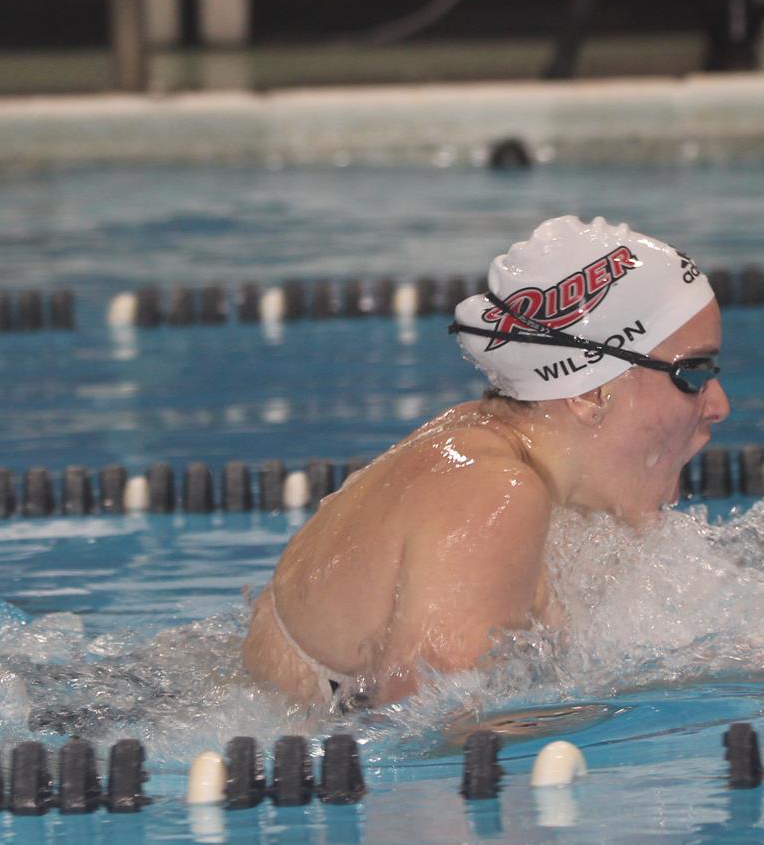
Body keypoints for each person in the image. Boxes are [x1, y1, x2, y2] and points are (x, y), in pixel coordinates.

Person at [243, 215, 729, 709]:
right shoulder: (491, 492)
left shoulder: (494, 450)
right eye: (693, 374)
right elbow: (438, 732)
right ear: (589, 392)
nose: (718, 406)